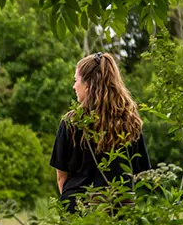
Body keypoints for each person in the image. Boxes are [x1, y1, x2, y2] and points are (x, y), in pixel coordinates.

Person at [50, 51, 152, 213]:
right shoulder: (130, 123)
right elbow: (140, 174)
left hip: (77, 212)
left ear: (87, 85)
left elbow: (61, 177)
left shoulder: (71, 123)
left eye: (76, 80)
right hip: (118, 212)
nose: (74, 86)